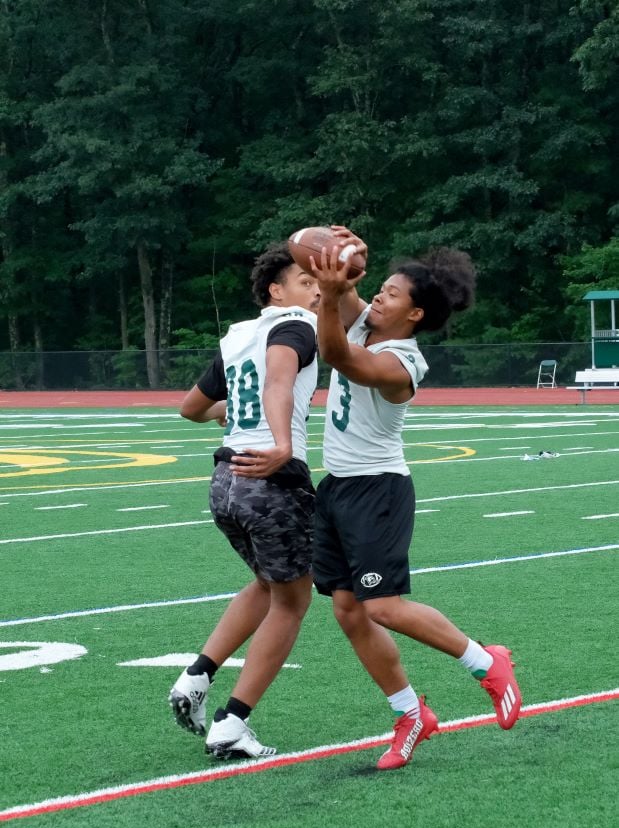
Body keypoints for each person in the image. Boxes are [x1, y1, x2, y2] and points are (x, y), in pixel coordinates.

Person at [309, 233, 522, 770]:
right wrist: (338, 250)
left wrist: (333, 295)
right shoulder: (367, 321)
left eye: (392, 294)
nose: (378, 297)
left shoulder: (403, 360)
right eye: (379, 288)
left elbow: (335, 353)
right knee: (348, 611)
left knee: (382, 606)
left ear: (416, 313)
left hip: (377, 488)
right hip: (337, 485)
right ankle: (410, 714)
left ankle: (485, 661)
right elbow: (319, 271)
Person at [169, 242, 320, 759]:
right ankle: (233, 722)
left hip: (225, 478)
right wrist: (280, 441)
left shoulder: (238, 334)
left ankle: (197, 676)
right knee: (293, 601)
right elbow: (279, 377)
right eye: (304, 279)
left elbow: (192, 407)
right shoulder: (296, 324)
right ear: (276, 290)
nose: (315, 288)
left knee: (265, 583)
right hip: (269, 478)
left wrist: (237, 418)